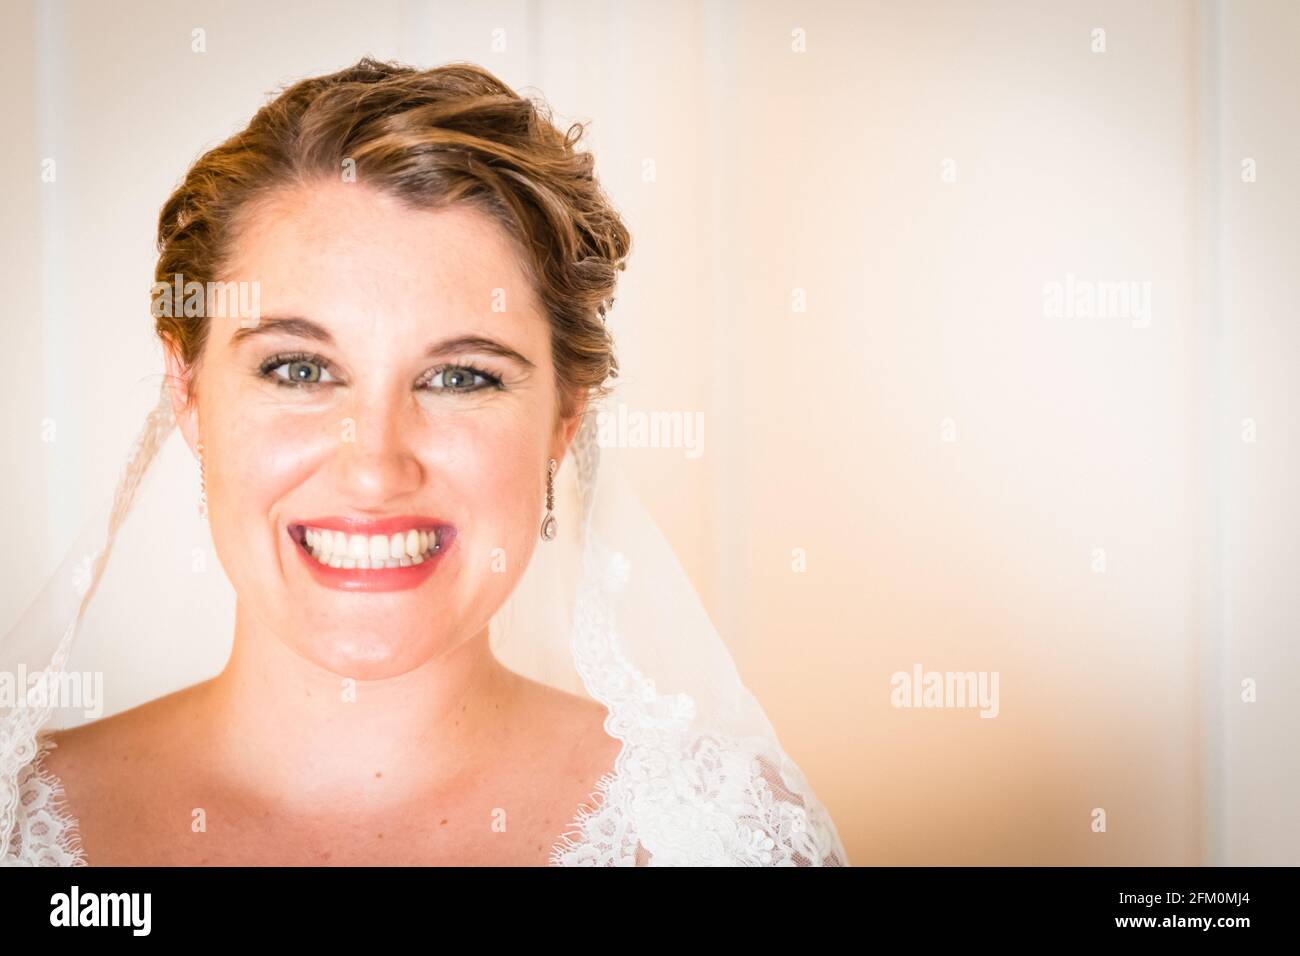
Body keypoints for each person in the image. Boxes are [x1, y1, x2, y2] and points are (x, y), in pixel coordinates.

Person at [1, 58, 847, 867]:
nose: (374, 468)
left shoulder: (719, 838)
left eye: (458, 377)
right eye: (299, 369)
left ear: (564, 415)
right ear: (187, 393)